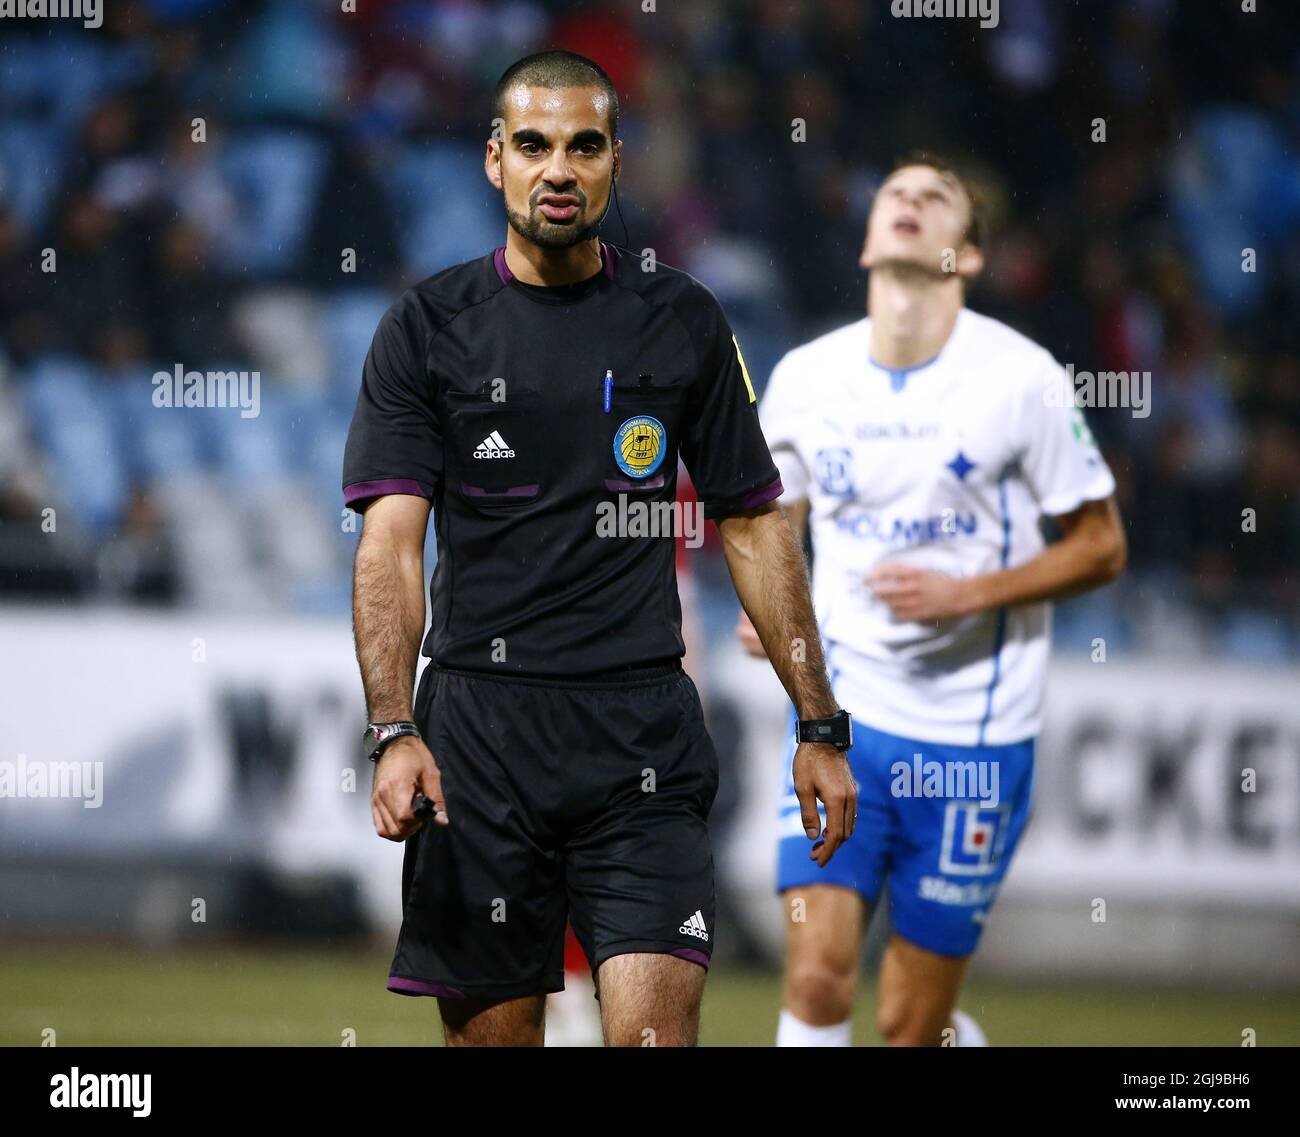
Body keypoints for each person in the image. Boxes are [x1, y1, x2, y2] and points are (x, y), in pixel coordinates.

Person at [342, 50, 857, 1047]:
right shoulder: (426, 329)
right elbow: (390, 549)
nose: (559, 169)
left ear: (618, 160)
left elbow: (751, 523)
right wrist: (391, 727)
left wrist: (819, 725)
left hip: (642, 743)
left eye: (585, 146)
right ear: (494, 161)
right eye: (532, 145)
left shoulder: (683, 320)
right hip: (478, 742)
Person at [741, 153, 1127, 1047]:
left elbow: (1103, 544)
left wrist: (971, 592)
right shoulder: (807, 377)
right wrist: (772, 608)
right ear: (870, 235)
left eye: (936, 198)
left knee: (909, 1028)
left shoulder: (1022, 379)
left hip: (974, 742)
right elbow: (774, 526)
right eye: (894, 194)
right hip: (846, 725)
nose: (909, 203)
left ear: (969, 256)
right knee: (815, 970)